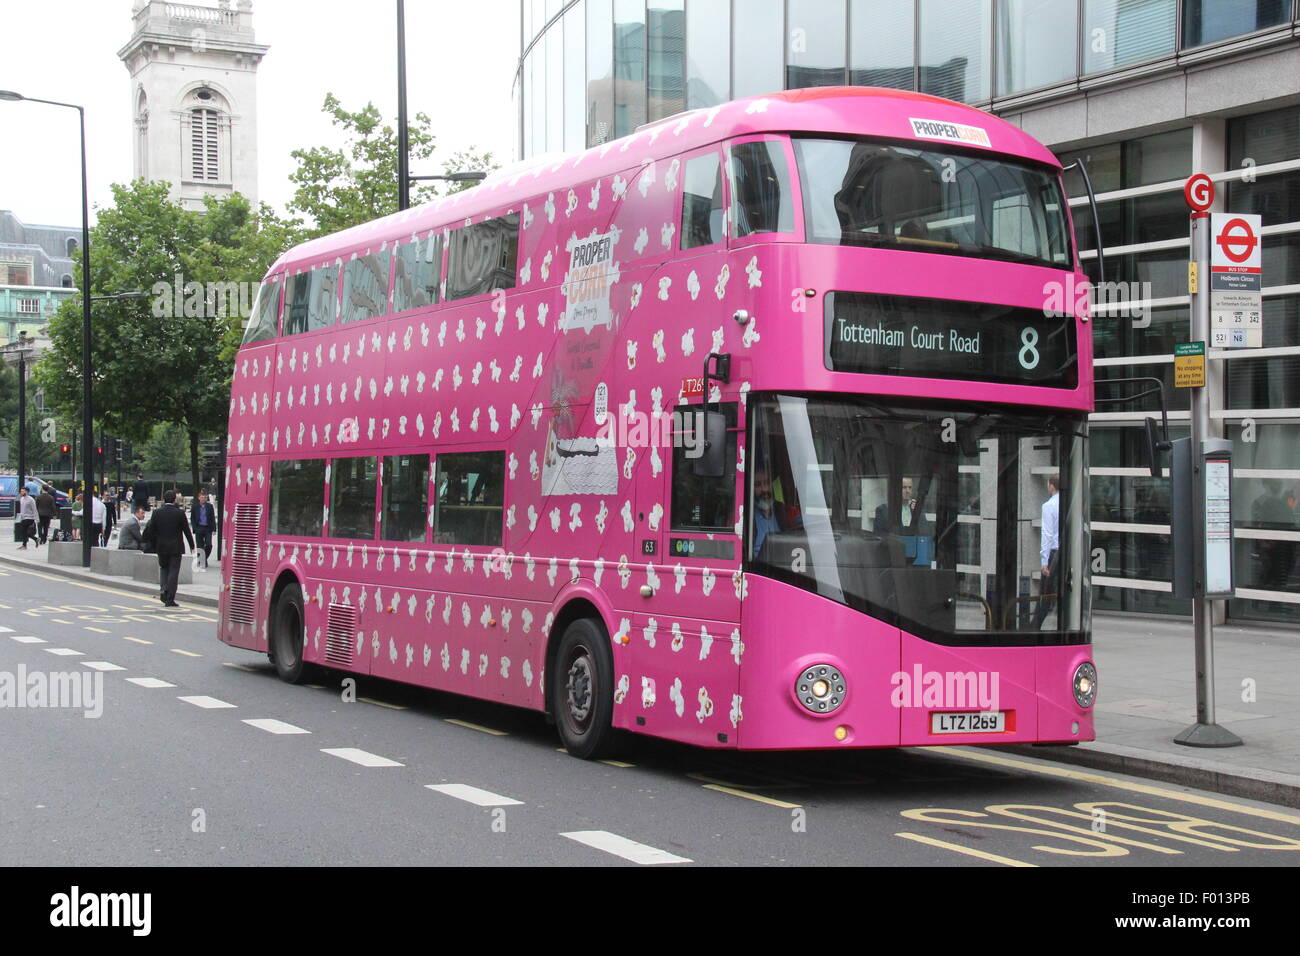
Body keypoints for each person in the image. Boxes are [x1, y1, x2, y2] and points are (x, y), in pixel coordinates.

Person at [142, 490, 193, 608]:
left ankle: (163, 590)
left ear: (164, 500)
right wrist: (192, 545)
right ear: (175, 499)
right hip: (176, 547)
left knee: (164, 568)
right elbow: (186, 530)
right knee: (174, 571)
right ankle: (170, 598)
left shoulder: (156, 513)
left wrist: (147, 543)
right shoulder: (180, 513)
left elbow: (151, 530)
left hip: (161, 547)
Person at [1034, 473, 1060, 629]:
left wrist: (1044, 562)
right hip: (1065, 553)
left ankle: (1035, 625)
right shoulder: (1070, 503)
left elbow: (1047, 534)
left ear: (1051, 486)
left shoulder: (1049, 506)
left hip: (1053, 553)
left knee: (1046, 591)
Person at [752, 469, 781, 559]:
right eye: (758, 485)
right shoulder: (744, 518)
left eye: (767, 483)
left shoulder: (784, 511)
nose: (764, 489)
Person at [190, 489, 216, 569]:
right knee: (200, 546)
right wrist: (194, 528)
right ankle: (202, 561)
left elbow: (212, 518)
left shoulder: (210, 507)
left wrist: (214, 529)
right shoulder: (195, 507)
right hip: (199, 528)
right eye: (202, 497)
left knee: (209, 545)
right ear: (199, 498)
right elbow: (192, 518)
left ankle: (203, 559)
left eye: (205, 497)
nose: (203, 499)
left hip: (208, 528)